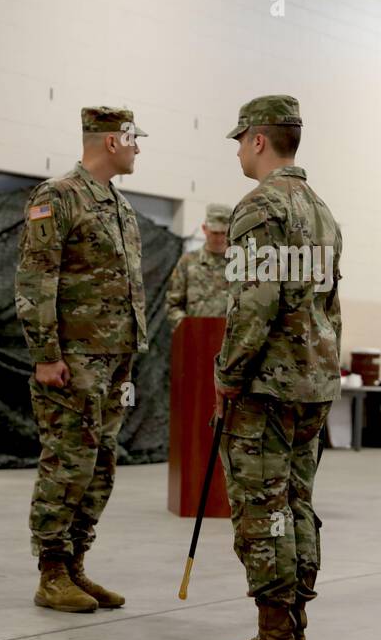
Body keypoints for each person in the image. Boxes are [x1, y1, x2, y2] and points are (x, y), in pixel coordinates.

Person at [206, 95, 342, 640]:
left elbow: (253, 304)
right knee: (296, 503)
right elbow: (331, 305)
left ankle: (273, 636)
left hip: (266, 385)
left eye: (241, 139)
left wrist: (228, 376)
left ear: (259, 140)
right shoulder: (321, 210)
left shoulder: (258, 208)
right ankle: (296, 628)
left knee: (262, 508)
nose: (238, 149)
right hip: (313, 382)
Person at [14, 106, 148, 613]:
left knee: (102, 463)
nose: (139, 148)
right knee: (67, 461)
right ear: (112, 141)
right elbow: (35, 278)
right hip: (72, 358)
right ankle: (50, 571)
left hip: (114, 358)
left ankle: (75, 565)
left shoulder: (120, 206)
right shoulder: (58, 197)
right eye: (134, 139)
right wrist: (46, 355)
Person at [166, 203, 232, 329]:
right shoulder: (188, 262)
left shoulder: (239, 266)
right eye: (215, 232)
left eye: (223, 233)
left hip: (228, 342)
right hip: (194, 340)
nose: (219, 238)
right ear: (204, 229)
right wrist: (187, 326)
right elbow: (172, 305)